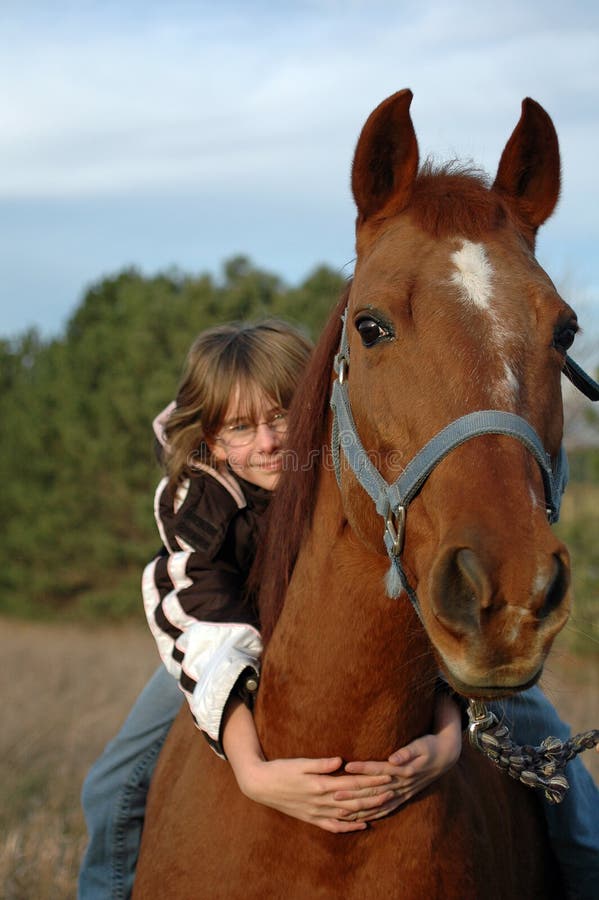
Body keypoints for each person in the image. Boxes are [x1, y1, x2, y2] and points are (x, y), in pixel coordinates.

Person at [79, 318, 599, 900]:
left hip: (415, 652)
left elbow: (420, 588)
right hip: (228, 644)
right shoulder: (199, 495)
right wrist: (250, 767)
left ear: (317, 410)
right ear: (211, 437)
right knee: (113, 785)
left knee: (558, 764)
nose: (268, 442)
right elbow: (195, 613)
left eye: (282, 417)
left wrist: (450, 729)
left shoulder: (352, 474)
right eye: (241, 428)